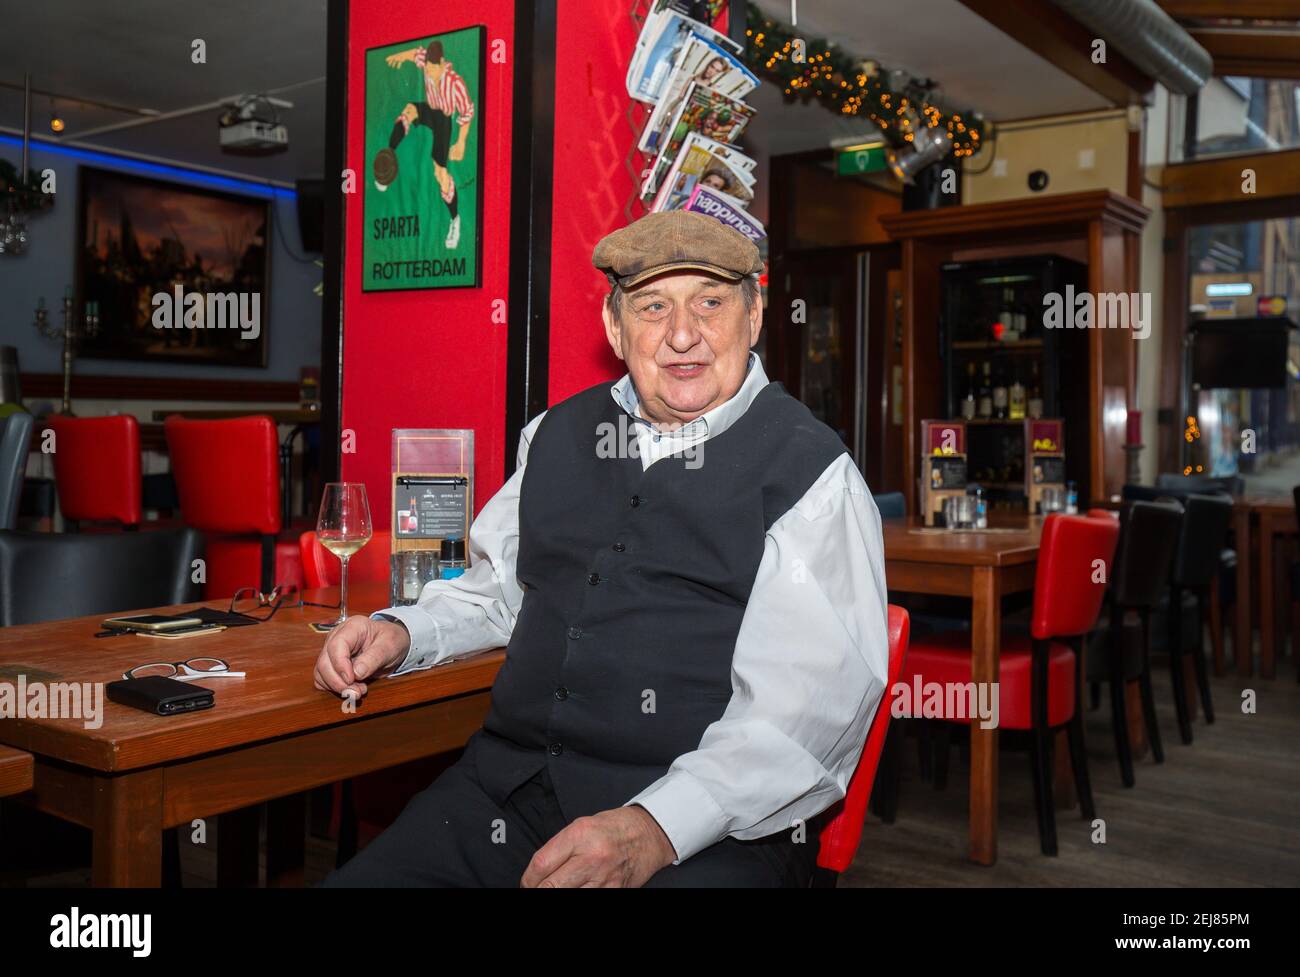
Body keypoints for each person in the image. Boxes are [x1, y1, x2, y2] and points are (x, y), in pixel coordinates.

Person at [315, 211, 889, 888]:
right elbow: (499, 591)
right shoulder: (555, 435)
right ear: (615, 327)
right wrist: (400, 629)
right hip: (510, 792)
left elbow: (803, 718)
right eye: (653, 306)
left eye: (710, 301)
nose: (683, 334)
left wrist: (655, 825)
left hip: (710, 827)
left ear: (756, 313)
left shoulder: (812, 474)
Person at [373, 39, 474, 250]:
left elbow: (467, 111)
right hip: (430, 109)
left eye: (433, 70)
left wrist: (461, 142)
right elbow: (414, 53)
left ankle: (455, 220)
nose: (430, 73)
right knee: (409, 109)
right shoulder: (426, 64)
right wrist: (400, 56)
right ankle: (388, 159)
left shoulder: (455, 83)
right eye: (427, 69)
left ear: (443, 63)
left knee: (440, 173)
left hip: (444, 120)